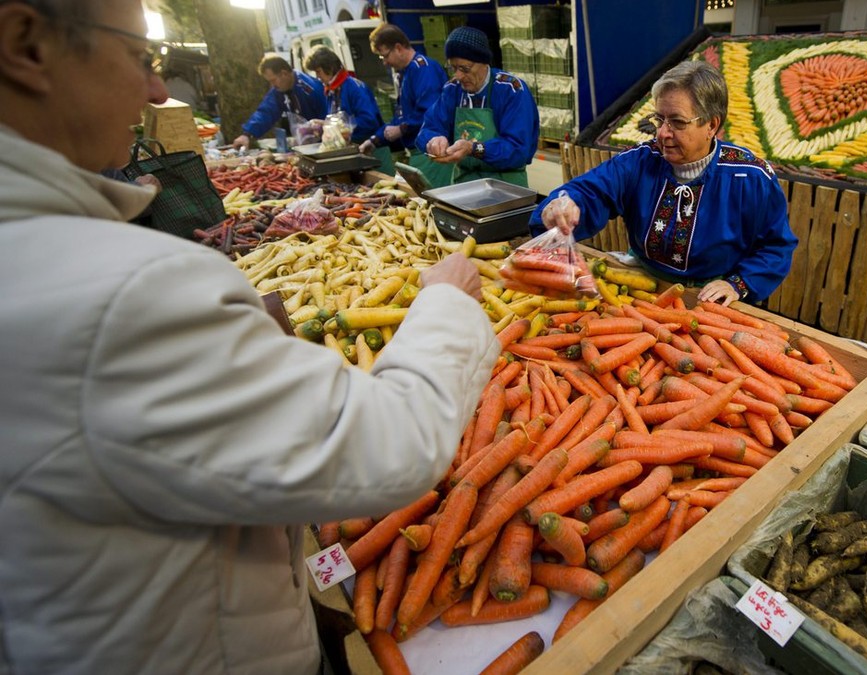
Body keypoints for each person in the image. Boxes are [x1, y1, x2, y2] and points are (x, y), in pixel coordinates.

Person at [0, 2, 499, 674]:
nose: (156, 92)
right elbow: (388, 447)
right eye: (140, 59)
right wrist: (444, 299)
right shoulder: (119, 291)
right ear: (23, 42)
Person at [532, 60, 797, 306]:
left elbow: (776, 246)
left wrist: (739, 284)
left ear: (712, 126)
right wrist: (564, 203)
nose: (663, 133)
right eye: (659, 119)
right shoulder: (639, 161)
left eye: (678, 122)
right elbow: (592, 191)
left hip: (712, 300)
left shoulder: (749, 177)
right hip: (643, 288)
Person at [416, 26, 539, 187]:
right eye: (453, 68)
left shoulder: (510, 90)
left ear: (484, 63)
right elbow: (427, 129)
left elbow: (517, 150)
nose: (458, 76)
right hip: (464, 184)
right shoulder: (452, 90)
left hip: (505, 186)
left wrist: (473, 148)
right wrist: (432, 140)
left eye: (465, 69)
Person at [360, 23, 454, 188]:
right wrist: (375, 140)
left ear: (398, 47)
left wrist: (402, 129)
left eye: (384, 56)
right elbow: (401, 116)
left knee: (431, 202)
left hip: (432, 153)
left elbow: (429, 113)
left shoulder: (424, 70)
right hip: (418, 153)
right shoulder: (405, 73)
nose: (385, 63)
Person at [232, 55, 328, 151]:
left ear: (284, 73)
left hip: (324, 145)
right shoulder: (279, 90)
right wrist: (247, 134)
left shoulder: (310, 88)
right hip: (305, 145)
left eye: (273, 80)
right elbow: (266, 112)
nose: (272, 85)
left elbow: (328, 117)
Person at [304, 46, 384, 150]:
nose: (317, 77)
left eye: (318, 71)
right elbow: (337, 120)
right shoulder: (331, 91)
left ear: (330, 67)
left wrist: (339, 127)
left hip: (370, 149)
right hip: (350, 149)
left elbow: (369, 121)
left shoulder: (355, 88)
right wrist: (325, 125)